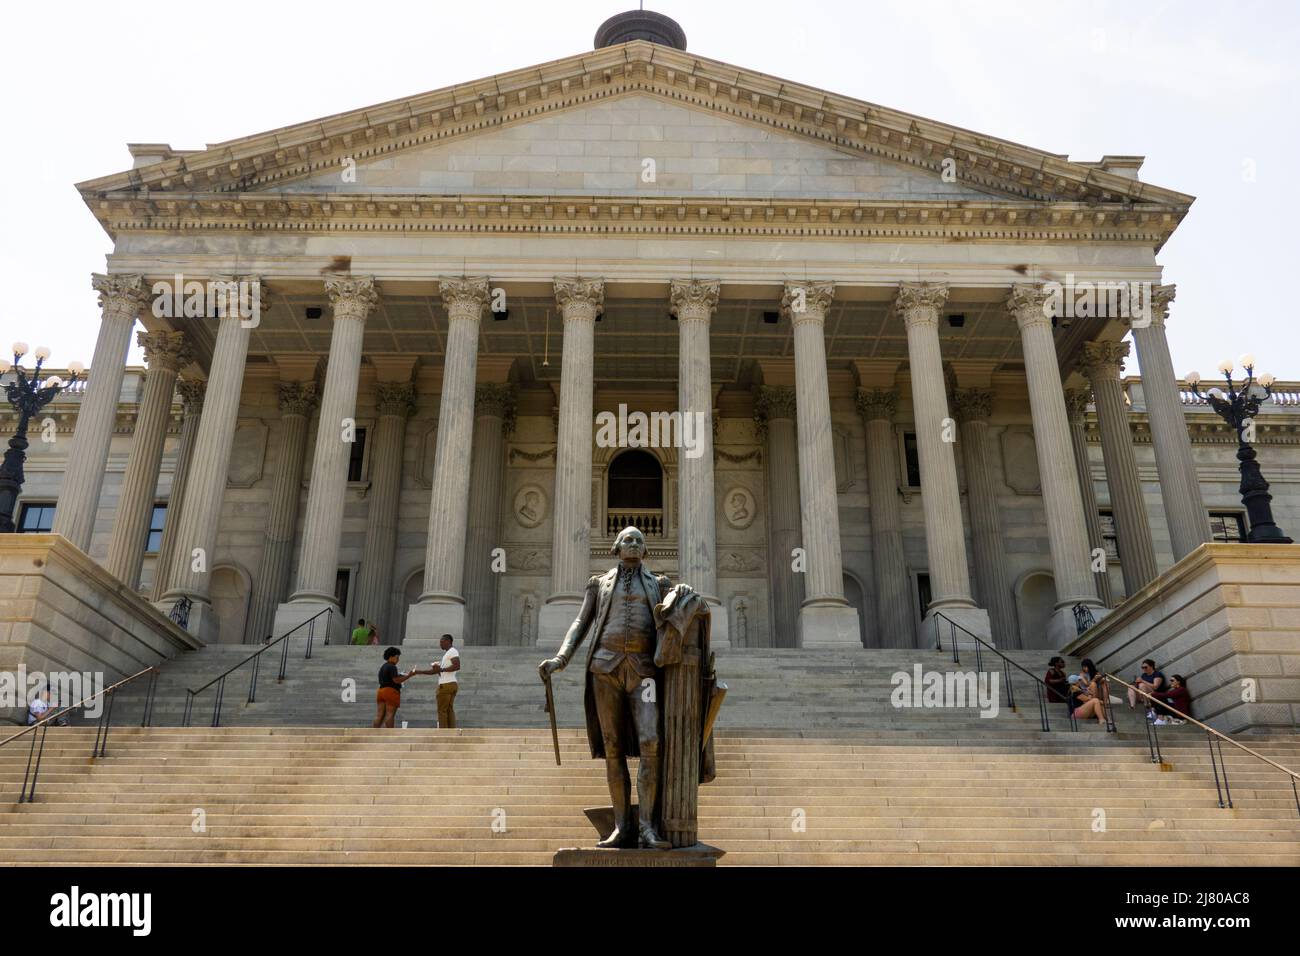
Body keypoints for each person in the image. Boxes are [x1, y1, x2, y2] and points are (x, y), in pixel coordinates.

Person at [414, 634, 461, 729]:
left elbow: (457, 666)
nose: (440, 644)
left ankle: (443, 733)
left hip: (446, 685)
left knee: (442, 710)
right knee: (448, 710)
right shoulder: (448, 653)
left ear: (448, 641)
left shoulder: (452, 651)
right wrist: (420, 671)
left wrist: (442, 670)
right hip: (451, 684)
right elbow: (436, 671)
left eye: (442, 642)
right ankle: (451, 731)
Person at [373, 646, 415, 728]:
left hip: (381, 691)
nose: (398, 660)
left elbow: (389, 678)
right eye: (397, 657)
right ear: (391, 657)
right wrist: (409, 675)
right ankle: (390, 734)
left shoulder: (383, 666)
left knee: (379, 715)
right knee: (390, 714)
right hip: (391, 691)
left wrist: (400, 675)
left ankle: (374, 733)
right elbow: (396, 680)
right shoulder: (392, 667)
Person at [1069, 658, 1109, 727]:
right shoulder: (1075, 692)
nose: (1080, 682)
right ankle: (1102, 720)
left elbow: (1088, 698)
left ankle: (1108, 720)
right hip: (1076, 714)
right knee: (1095, 700)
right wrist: (1101, 701)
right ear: (1076, 682)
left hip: (1081, 711)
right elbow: (1088, 699)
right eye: (1079, 680)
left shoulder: (1078, 690)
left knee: (1097, 700)